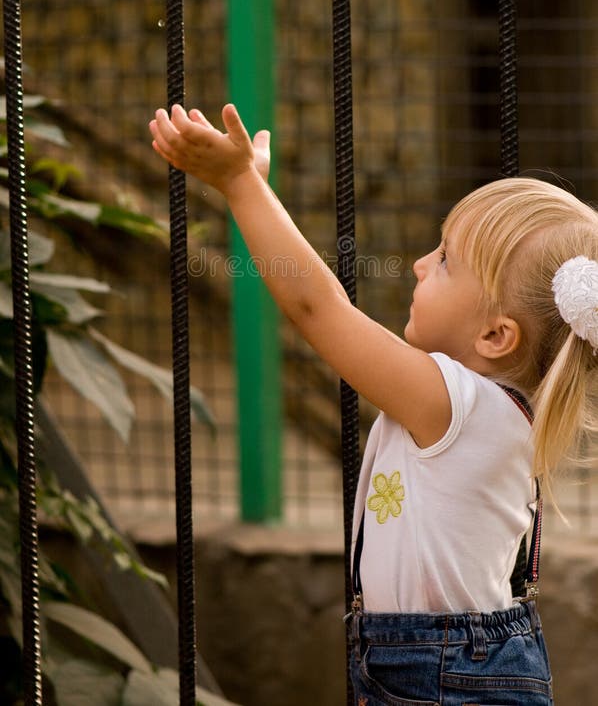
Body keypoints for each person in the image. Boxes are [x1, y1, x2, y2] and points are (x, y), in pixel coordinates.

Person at [149, 102, 598, 706]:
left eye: (443, 261)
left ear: (496, 336)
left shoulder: (453, 403)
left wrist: (239, 185)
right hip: (441, 663)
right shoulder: (487, 407)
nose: (417, 264)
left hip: (438, 674)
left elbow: (318, 309)